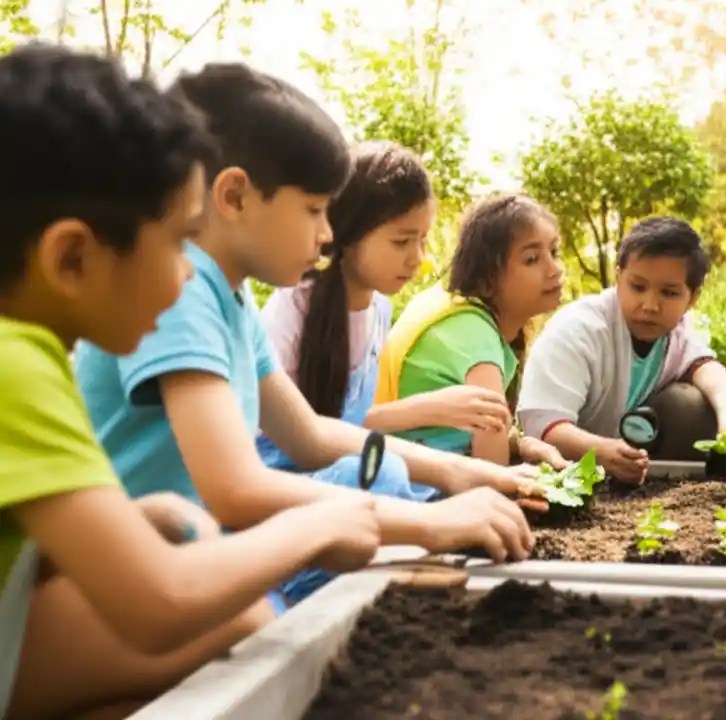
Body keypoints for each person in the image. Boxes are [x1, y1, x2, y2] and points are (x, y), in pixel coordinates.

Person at [0, 45, 379, 720]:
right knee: (243, 630)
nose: (184, 275)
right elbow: (161, 605)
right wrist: (318, 525)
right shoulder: (15, 367)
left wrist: (134, 519)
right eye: (177, 242)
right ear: (73, 257)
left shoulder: (28, 354)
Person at [73, 63, 540, 610]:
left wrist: (459, 469)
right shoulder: (181, 288)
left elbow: (310, 435)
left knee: (380, 480)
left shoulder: (230, 294)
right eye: (315, 210)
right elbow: (236, 487)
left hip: (193, 548)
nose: (326, 235)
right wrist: (428, 522)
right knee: (275, 615)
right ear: (235, 197)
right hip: (137, 571)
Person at [256, 140, 515, 494]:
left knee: (396, 475)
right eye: (401, 242)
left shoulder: (379, 308)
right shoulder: (296, 304)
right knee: (386, 475)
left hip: (340, 464)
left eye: (423, 240)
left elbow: (348, 423)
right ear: (349, 233)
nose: (417, 258)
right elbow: (302, 431)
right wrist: (426, 409)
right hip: (279, 471)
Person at [518, 217, 726, 484]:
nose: (650, 305)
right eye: (637, 287)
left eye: (669, 293)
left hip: (627, 464)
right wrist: (603, 452)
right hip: (560, 472)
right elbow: (542, 427)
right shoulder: (578, 331)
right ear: (619, 278)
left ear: (693, 298)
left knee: (690, 403)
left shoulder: (677, 334)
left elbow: (717, 381)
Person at [375, 193, 568, 468]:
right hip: (411, 480)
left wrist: (522, 444)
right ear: (487, 281)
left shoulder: (461, 313)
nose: (554, 269)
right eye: (532, 259)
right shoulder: (474, 331)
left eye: (554, 252)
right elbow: (493, 466)